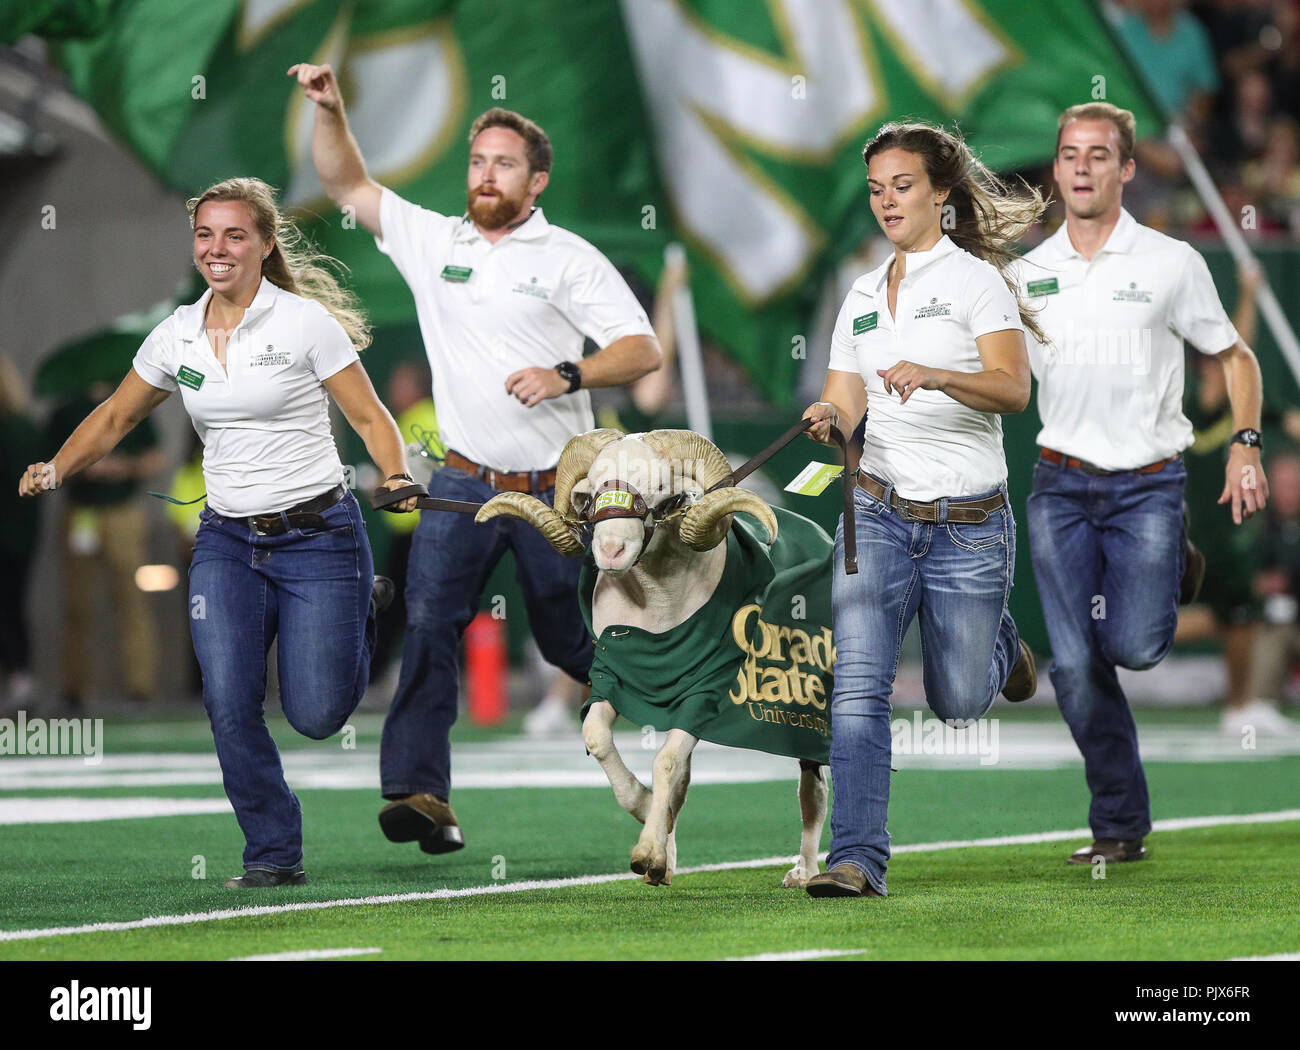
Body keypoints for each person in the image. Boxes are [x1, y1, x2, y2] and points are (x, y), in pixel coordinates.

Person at [289, 63, 662, 853]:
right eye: (477, 161)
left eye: (503, 163)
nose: (485, 175)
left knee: (567, 641)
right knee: (428, 622)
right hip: (462, 482)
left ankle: (670, 698)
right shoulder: (435, 239)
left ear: (537, 180)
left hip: (556, 489)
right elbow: (347, 182)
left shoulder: (568, 257)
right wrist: (330, 108)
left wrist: (569, 373)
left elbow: (642, 350)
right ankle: (422, 795)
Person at [18, 177, 417, 888]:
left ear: (265, 244)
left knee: (319, 713)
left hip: (320, 536)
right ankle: (272, 850)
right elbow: (115, 418)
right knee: (229, 701)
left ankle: (356, 616)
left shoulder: (303, 323)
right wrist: (54, 467)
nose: (217, 248)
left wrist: (391, 472)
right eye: (205, 235)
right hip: (228, 542)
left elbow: (369, 416)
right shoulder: (177, 333)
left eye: (235, 235)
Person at [1011, 103, 1269, 866]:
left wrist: (1246, 446)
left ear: (1127, 170)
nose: (1082, 167)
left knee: (1134, 645)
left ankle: (1173, 560)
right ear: (1056, 171)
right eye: (1069, 154)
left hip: (1149, 486)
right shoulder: (1026, 274)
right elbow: (998, 376)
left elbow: (1237, 358)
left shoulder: (1170, 262)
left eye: (1098, 155)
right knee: (1074, 667)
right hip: (1059, 486)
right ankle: (1118, 822)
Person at [800, 121, 1042, 898]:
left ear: (941, 192)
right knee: (859, 684)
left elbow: (1012, 388)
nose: (886, 201)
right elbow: (846, 401)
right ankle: (856, 859)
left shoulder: (977, 283)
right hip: (874, 510)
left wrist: (938, 375)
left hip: (968, 526)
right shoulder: (863, 295)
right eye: (876, 189)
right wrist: (829, 420)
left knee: (957, 700)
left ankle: (998, 650)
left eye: (901, 186)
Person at [47, 380, 165, 707]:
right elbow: (49, 460)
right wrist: (80, 466)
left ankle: (140, 684)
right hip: (82, 513)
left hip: (122, 511)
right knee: (78, 604)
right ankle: (76, 685)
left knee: (132, 599)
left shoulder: (132, 401)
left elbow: (155, 456)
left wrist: (123, 467)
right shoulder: (66, 411)